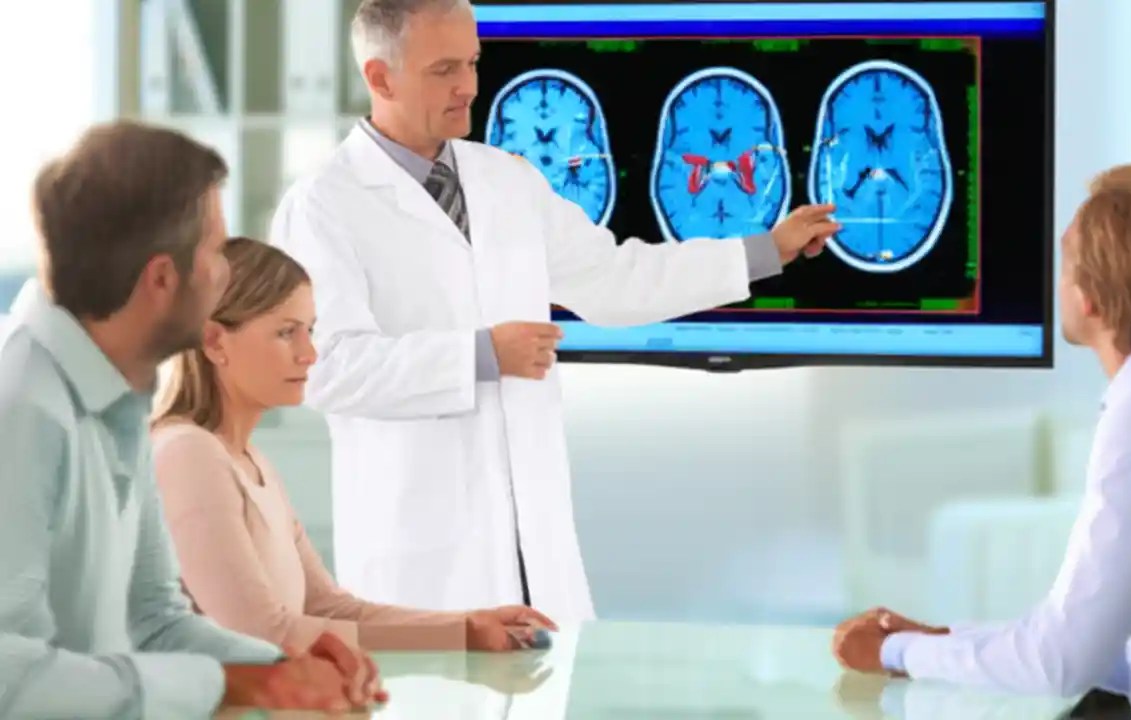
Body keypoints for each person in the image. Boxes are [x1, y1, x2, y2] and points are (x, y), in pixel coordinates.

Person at [268, 0, 842, 621]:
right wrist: (483, 355)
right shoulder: (325, 206)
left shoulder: (505, 181)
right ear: (380, 78)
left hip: (532, 553)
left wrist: (761, 252)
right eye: (444, 70)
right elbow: (327, 368)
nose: (469, 87)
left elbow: (616, 279)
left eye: (473, 63)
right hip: (423, 558)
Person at [832, 164, 1131, 719]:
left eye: (1065, 263)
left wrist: (895, 651)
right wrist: (941, 641)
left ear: (1092, 296)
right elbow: (1108, 645)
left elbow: (1064, 661)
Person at [0, 121, 384, 717]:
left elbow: (155, 621)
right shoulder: (22, 408)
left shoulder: (121, 402)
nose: (227, 272)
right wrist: (229, 686)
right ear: (161, 279)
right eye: (214, 252)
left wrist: (287, 669)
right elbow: (8, 677)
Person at [150, 235, 559, 655]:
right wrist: (460, 637)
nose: (310, 353)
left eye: (309, 331)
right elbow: (261, 635)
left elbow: (329, 607)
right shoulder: (187, 454)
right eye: (286, 333)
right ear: (215, 341)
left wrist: (469, 621)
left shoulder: (249, 461)